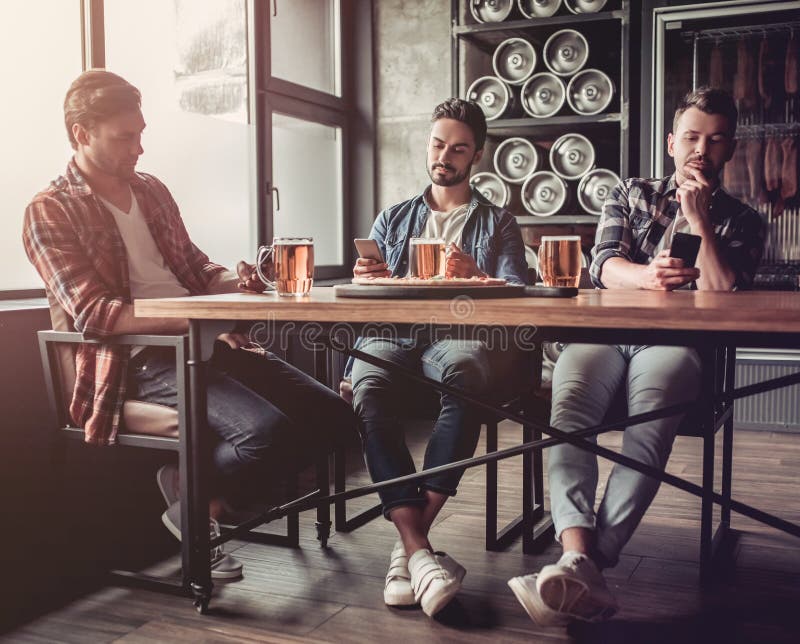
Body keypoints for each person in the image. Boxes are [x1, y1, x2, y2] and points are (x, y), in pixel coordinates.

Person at [23, 70, 357, 580]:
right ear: (81, 134)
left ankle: (192, 497)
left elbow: (195, 267)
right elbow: (97, 314)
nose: (139, 148)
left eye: (140, 133)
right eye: (125, 137)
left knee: (334, 415)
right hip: (136, 358)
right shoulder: (48, 211)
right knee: (265, 435)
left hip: (205, 339)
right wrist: (202, 315)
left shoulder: (151, 190)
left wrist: (233, 280)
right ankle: (197, 505)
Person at [508, 87, 765, 626]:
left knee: (650, 423)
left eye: (715, 140)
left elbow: (724, 291)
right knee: (569, 408)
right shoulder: (630, 191)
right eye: (691, 137)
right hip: (607, 331)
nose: (701, 149)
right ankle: (579, 553)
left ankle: (586, 561)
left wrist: (697, 218)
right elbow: (602, 263)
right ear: (671, 143)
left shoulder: (743, 220)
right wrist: (647, 277)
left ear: (730, 150)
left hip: (677, 346)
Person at [350, 98, 528, 617]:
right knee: (367, 379)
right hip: (395, 334)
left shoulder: (497, 221)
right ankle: (421, 553)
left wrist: (475, 271)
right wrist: (368, 283)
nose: (443, 156)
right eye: (437, 143)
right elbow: (369, 297)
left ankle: (411, 548)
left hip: (460, 335)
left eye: (457, 148)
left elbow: (519, 290)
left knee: (465, 372)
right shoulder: (394, 217)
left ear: (477, 155)